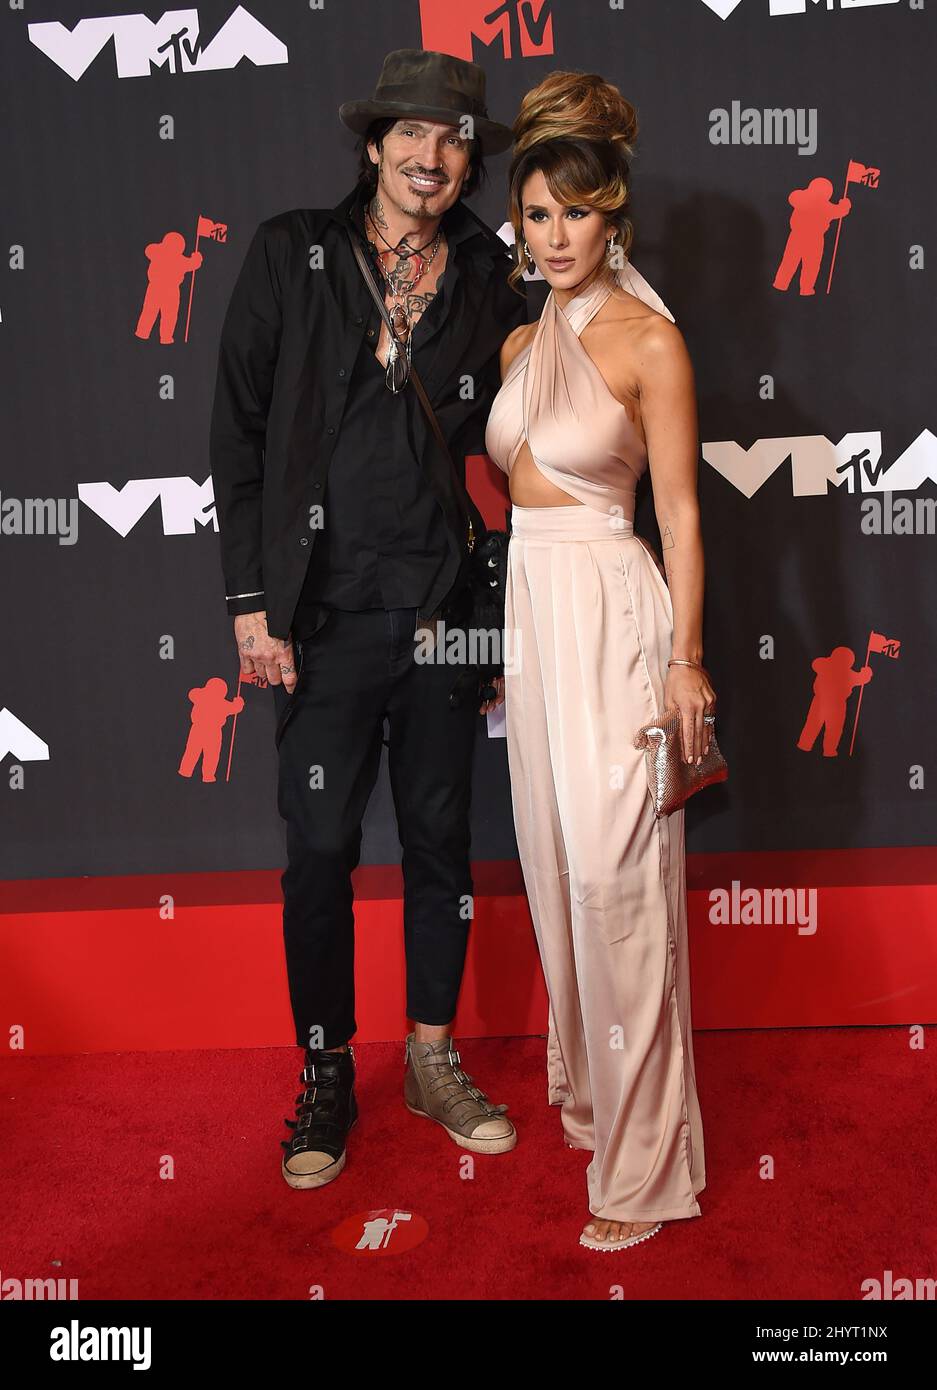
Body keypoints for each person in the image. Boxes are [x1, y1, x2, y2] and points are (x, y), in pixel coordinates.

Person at [209, 49, 527, 1189]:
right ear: (372, 144)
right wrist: (253, 604)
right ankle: (326, 1071)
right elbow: (236, 435)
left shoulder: (493, 271)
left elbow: (534, 421)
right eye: (410, 132)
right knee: (320, 853)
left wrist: (491, 620)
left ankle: (432, 1058)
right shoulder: (292, 252)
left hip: (445, 615)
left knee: (443, 848)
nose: (430, 155)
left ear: (467, 158)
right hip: (322, 617)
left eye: (452, 138)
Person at [484, 71, 714, 1251]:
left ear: (612, 214)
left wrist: (683, 659)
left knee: (622, 890)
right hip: (534, 613)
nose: (555, 234)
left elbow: (676, 515)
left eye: (575, 212)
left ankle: (644, 1168)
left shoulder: (649, 340)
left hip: (615, 617)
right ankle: (592, 1098)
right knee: (557, 868)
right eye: (534, 214)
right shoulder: (524, 334)